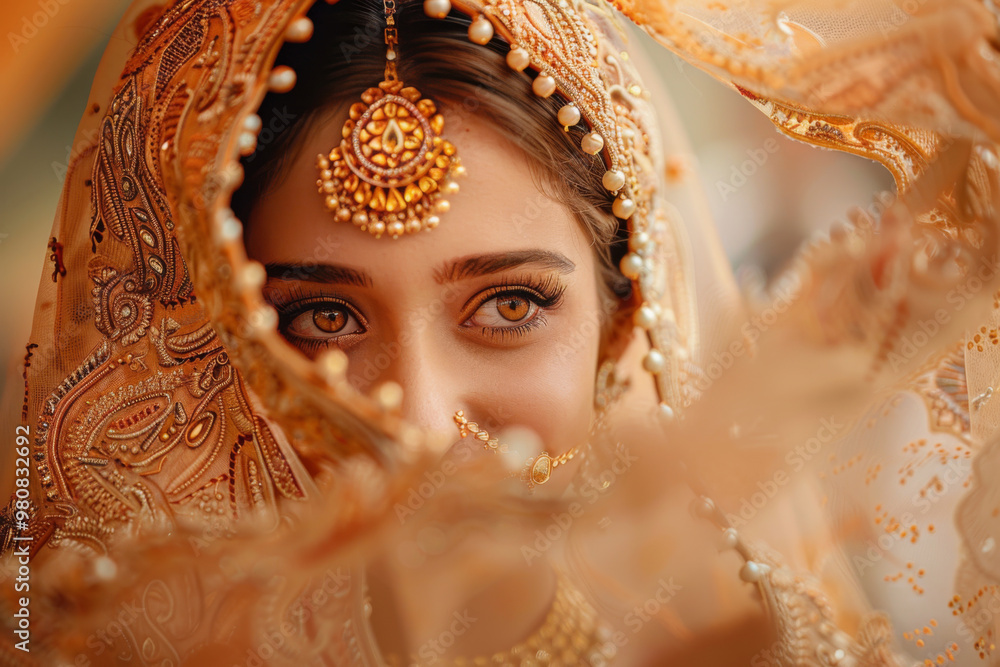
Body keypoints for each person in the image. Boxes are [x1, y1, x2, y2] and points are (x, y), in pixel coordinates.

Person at [1, 0, 999, 664]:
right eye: (322, 318)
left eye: (509, 306)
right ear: (211, 327)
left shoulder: (726, 598)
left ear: (622, 319)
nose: (424, 414)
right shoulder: (123, 623)